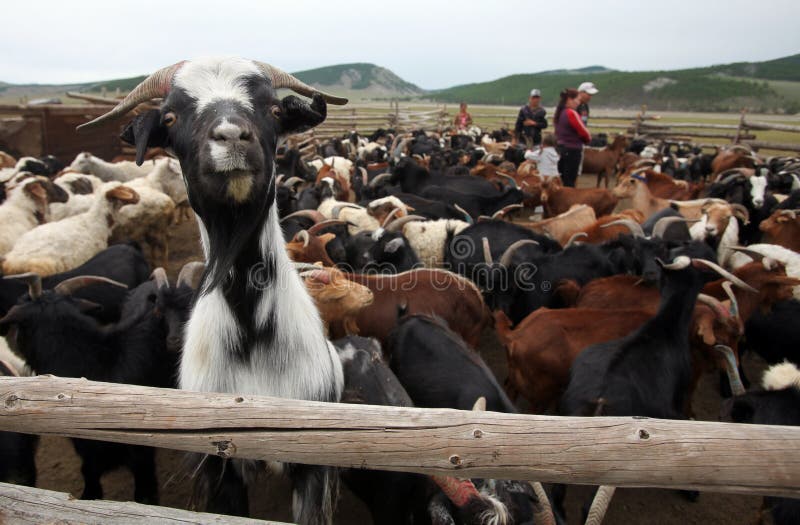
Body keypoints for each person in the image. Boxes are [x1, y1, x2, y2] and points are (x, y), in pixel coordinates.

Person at [554, 88, 591, 188]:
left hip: (561, 148)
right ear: (570, 99)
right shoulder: (571, 113)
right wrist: (587, 140)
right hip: (573, 150)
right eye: (577, 100)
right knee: (570, 181)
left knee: (562, 179)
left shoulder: (560, 112)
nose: (578, 103)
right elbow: (584, 132)